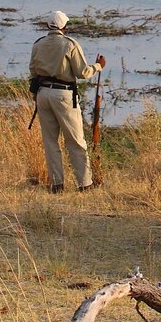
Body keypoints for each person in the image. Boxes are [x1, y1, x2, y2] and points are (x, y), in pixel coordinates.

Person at [28, 11, 105, 193]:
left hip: (43, 94)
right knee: (76, 141)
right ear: (64, 27)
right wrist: (98, 66)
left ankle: (57, 185)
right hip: (64, 95)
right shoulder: (70, 44)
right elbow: (82, 72)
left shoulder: (38, 44)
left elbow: (32, 70)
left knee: (50, 142)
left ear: (48, 26)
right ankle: (85, 184)